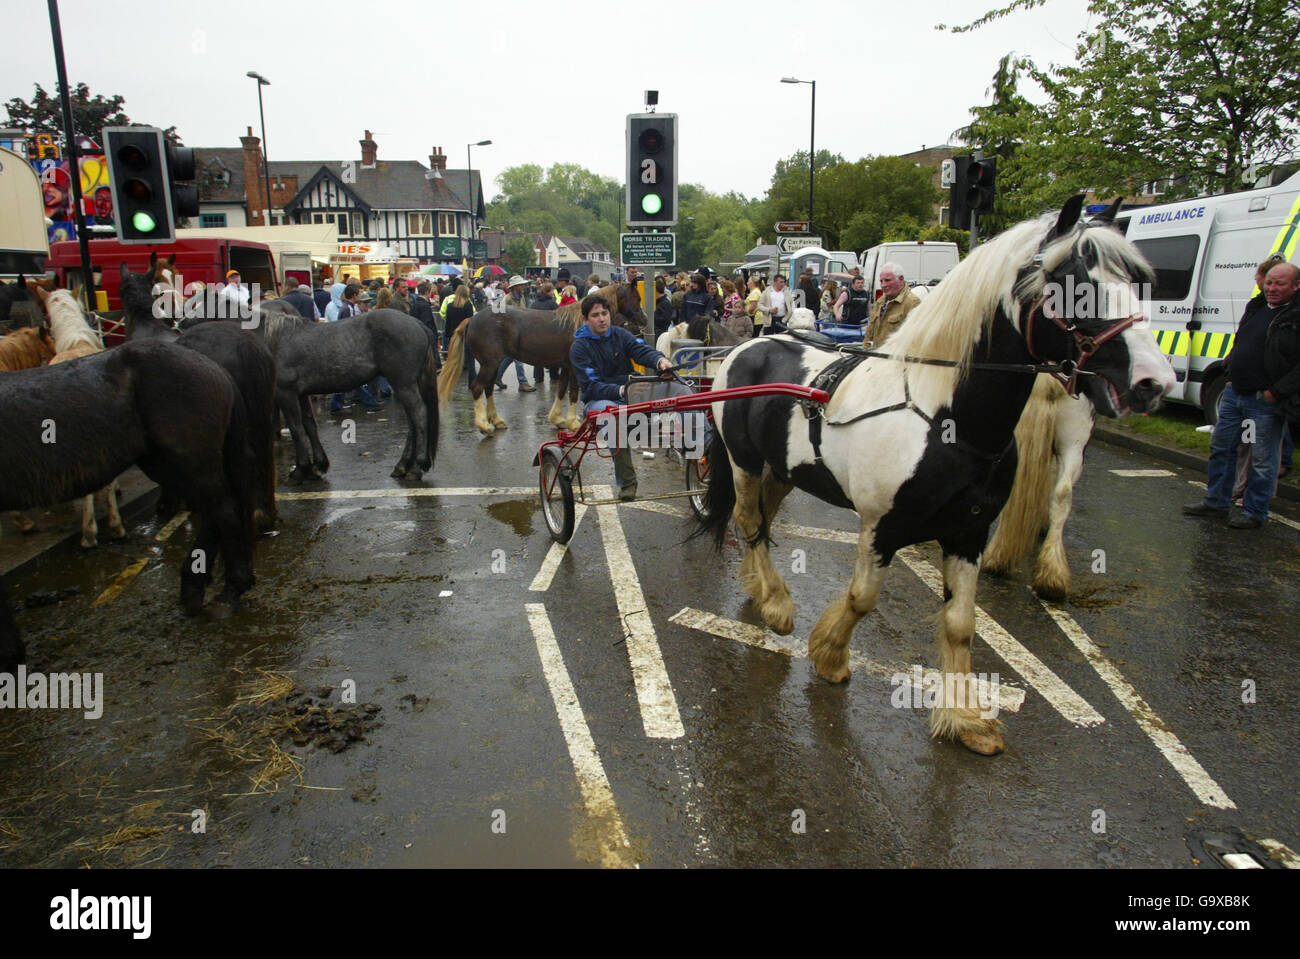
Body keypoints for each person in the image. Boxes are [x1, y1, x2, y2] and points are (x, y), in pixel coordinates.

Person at [1185, 261, 1300, 528]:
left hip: (1264, 401)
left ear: (1295, 286)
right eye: (1269, 282)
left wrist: (1275, 392)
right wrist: (1230, 368)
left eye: (1279, 284)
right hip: (1234, 392)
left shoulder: (1295, 315)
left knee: (1262, 460)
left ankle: (1254, 513)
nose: (1271, 288)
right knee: (1221, 448)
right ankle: (1216, 503)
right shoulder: (1256, 306)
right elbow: (1242, 340)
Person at [570, 293, 673, 500]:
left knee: (679, 394)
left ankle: (704, 445)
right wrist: (622, 390)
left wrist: (661, 361)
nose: (602, 318)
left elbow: (641, 350)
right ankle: (627, 483)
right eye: (595, 315)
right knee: (613, 417)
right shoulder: (579, 347)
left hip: (630, 394)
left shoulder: (620, 334)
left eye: (605, 313)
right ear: (585, 319)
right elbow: (591, 386)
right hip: (598, 401)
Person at [864, 263, 920, 347]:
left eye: (887, 280)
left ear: (901, 279)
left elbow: (915, 339)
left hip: (895, 358)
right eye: (881, 281)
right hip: (876, 356)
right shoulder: (880, 302)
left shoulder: (912, 303)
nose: (883, 285)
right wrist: (866, 352)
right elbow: (869, 333)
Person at [411, 280, 441, 363]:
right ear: (427, 291)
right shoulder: (424, 305)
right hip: (426, 337)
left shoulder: (415, 303)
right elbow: (427, 323)